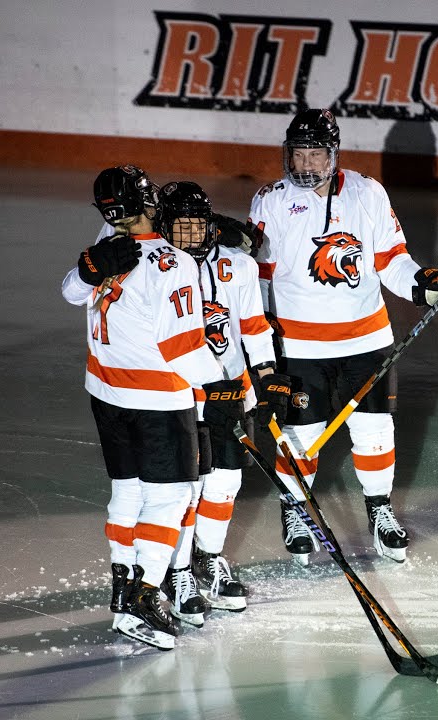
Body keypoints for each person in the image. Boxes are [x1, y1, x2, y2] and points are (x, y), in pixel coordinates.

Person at [248, 109, 438, 564]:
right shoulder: (270, 200)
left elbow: (391, 258)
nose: (305, 165)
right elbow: (260, 276)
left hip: (365, 342)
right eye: (298, 154)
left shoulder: (368, 193)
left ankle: (380, 510)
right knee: (300, 434)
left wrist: (425, 287)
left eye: (315, 155)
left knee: (374, 431)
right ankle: (295, 507)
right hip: (299, 346)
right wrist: (258, 337)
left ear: (333, 154)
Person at [61, 165, 244, 650]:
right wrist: (225, 389)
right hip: (158, 400)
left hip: (104, 392)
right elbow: (181, 348)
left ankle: (122, 595)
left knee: (127, 492)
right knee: (171, 497)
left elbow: (70, 291)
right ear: (149, 202)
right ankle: (146, 593)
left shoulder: (105, 243)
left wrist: (87, 267)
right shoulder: (173, 262)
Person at [156, 180, 291, 624]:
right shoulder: (155, 269)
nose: (189, 237)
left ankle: (208, 559)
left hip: (232, 394)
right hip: (178, 396)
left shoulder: (238, 266)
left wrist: (267, 375)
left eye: (197, 227)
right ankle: (177, 572)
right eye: (179, 228)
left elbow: (253, 327)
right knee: (185, 491)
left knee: (226, 483)